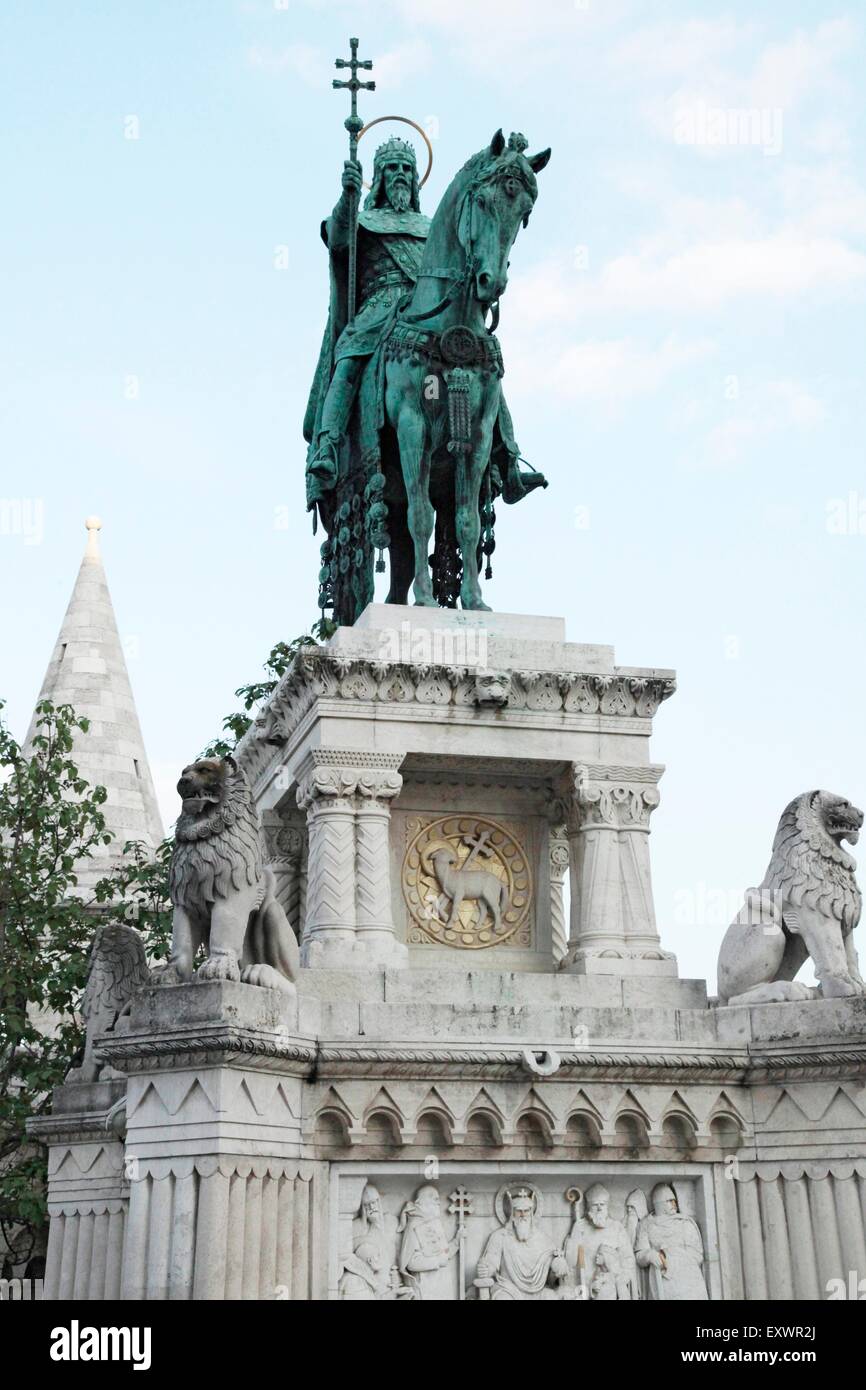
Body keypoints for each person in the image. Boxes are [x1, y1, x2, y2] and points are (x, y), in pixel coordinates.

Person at [475, 1189, 570, 1300]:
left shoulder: (544, 1240)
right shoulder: (500, 1236)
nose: (523, 1215)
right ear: (512, 1214)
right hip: (508, 1289)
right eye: (519, 1211)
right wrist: (485, 1269)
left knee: (551, 1297)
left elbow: (552, 1281)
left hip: (537, 1292)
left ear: (532, 1214)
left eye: (527, 1211)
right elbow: (491, 1263)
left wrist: (557, 1269)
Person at [564, 1183, 638, 1300]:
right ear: (588, 1208)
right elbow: (571, 1261)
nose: (599, 1208)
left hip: (610, 1288)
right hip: (584, 1288)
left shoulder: (616, 1227)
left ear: (607, 1206)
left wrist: (612, 1278)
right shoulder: (580, 1226)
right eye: (595, 1205)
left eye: (602, 1204)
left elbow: (628, 1261)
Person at [635, 1183, 708, 1300]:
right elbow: (639, 1255)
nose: (674, 1204)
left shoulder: (684, 1223)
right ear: (659, 1203)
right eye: (669, 1201)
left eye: (674, 1201)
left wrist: (670, 1256)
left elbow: (697, 1256)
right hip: (661, 1282)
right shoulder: (646, 1225)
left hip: (688, 1282)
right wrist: (651, 1255)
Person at [397, 1185, 459, 1300]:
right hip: (426, 1288)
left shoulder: (435, 1225)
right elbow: (411, 1262)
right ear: (423, 1202)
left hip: (440, 1286)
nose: (439, 1203)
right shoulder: (414, 1226)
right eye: (434, 1199)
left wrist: (456, 1242)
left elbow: (443, 1255)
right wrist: (437, 1261)